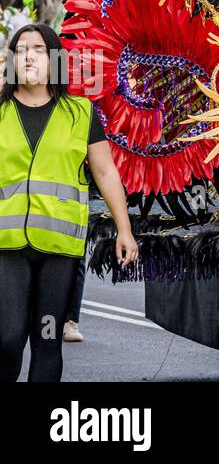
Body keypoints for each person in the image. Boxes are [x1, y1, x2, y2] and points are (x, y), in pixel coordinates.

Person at [0, 22, 137, 382]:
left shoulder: (81, 113)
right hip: (5, 247)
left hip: (59, 252)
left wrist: (124, 230)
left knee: (47, 342)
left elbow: (106, 174)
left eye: (38, 50)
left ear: (55, 61)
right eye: (20, 50)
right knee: (7, 338)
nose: (27, 56)